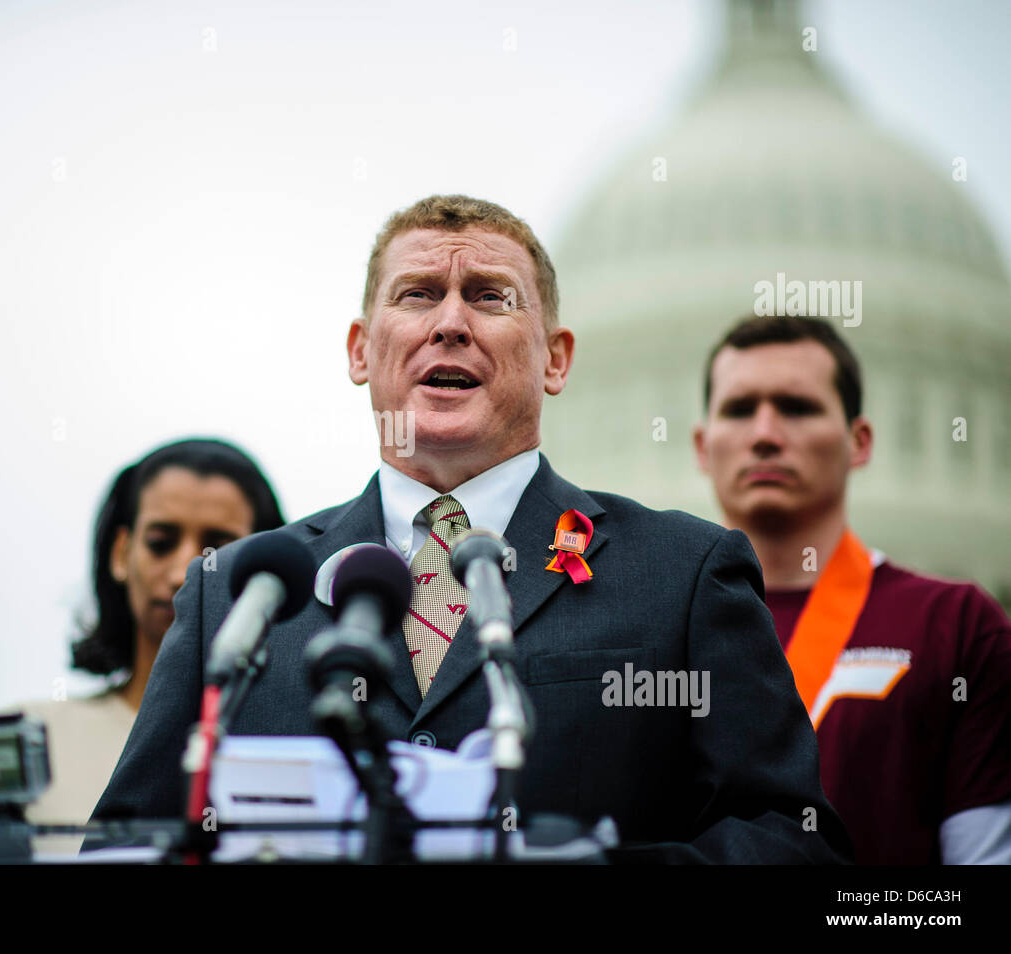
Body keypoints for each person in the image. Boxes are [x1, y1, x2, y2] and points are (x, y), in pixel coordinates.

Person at [91, 194, 849, 863]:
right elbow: (125, 842)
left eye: (490, 298)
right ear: (361, 351)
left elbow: (793, 836)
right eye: (418, 295)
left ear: (556, 359)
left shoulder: (682, 573)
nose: (450, 323)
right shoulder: (236, 594)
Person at [693, 315, 1011, 864]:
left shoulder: (956, 625)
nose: (765, 435)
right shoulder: (653, 630)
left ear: (859, 441)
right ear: (703, 446)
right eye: (740, 410)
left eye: (797, 408)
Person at [21, 439, 284, 829]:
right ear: (120, 553)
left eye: (218, 553)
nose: (184, 572)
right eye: (160, 544)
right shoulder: (29, 738)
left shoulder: (295, 753)